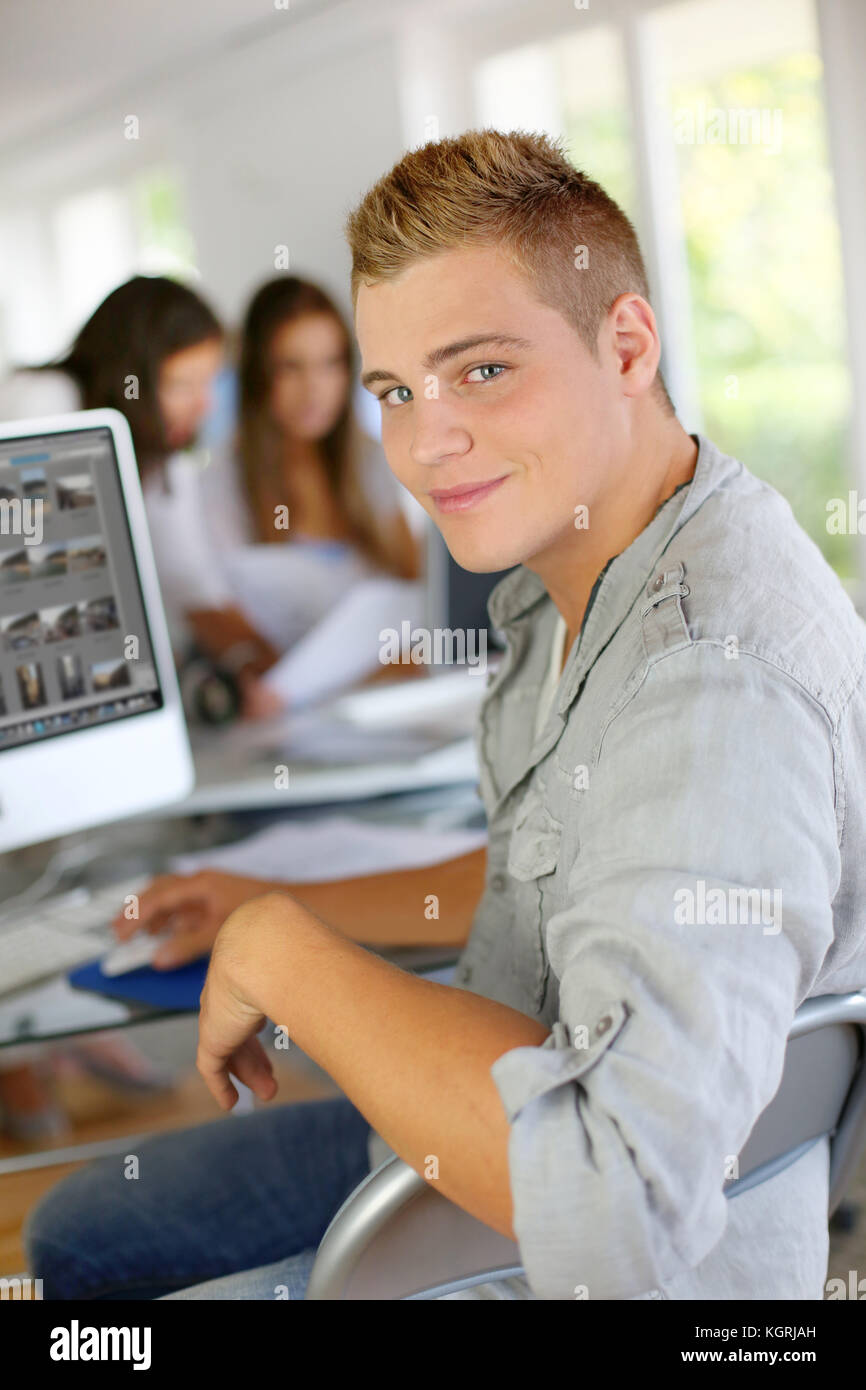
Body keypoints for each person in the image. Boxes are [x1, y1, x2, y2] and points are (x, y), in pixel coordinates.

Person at [24, 128, 866, 1300]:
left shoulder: (712, 682)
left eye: (481, 370)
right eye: (394, 391)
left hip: (572, 1246)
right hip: (467, 1137)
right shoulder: (571, 568)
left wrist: (282, 954)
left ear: (625, 344)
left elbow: (614, 1199)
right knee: (81, 1232)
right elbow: (557, 867)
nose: (425, 443)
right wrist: (270, 906)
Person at [0, 274, 277, 676]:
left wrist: (267, 663)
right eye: (182, 384)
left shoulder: (160, 453)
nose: (205, 404)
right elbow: (42, 568)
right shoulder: (45, 400)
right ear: (130, 376)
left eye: (209, 383)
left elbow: (191, 579)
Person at [194, 275, 424, 716]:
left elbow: (417, 594)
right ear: (259, 374)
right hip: (288, 712)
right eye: (290, 367)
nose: (314, 388)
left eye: (330, 363)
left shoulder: (371, 461)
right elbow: (217, 617)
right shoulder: (221, 482)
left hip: (382, 704)